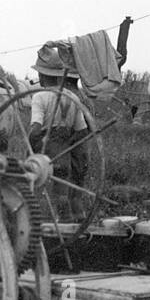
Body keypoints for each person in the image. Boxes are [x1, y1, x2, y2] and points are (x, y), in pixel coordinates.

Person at [29, 49, 91, 218]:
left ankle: (53, 224)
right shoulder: (72, 97)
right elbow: (82, 131)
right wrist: (67, 142)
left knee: (47, 191)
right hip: (65, 152)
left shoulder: (40, 97)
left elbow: (36, 127)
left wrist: (33, 147)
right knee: (65, 191)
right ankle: (75, 222)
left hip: (48, 152)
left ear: (42, 76)